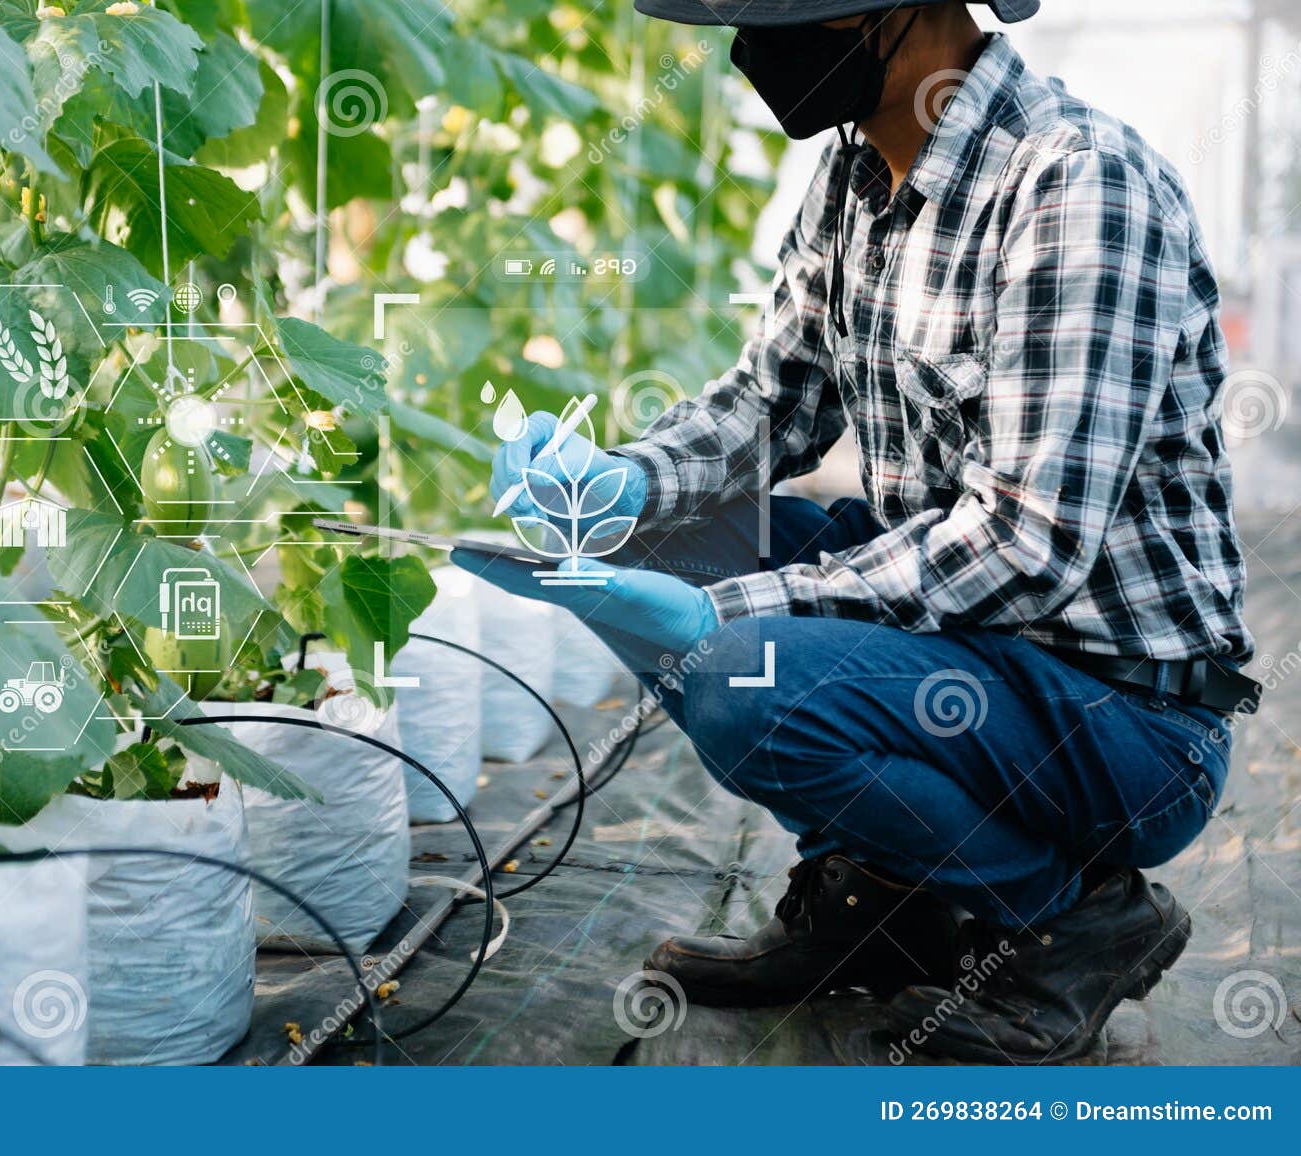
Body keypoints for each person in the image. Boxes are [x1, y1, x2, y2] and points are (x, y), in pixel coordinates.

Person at [453, 0, 1261, 1064]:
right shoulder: (855, 182)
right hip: (966, 652)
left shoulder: (1075, 188)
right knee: (645, 552)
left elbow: (1024, 544)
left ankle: (1073, 915)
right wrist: (617, 486)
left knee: (744, 676)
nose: (755, 43)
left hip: (1119, 714)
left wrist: (728, 610)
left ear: (910, 10)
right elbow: (766, 405)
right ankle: (887, 906)